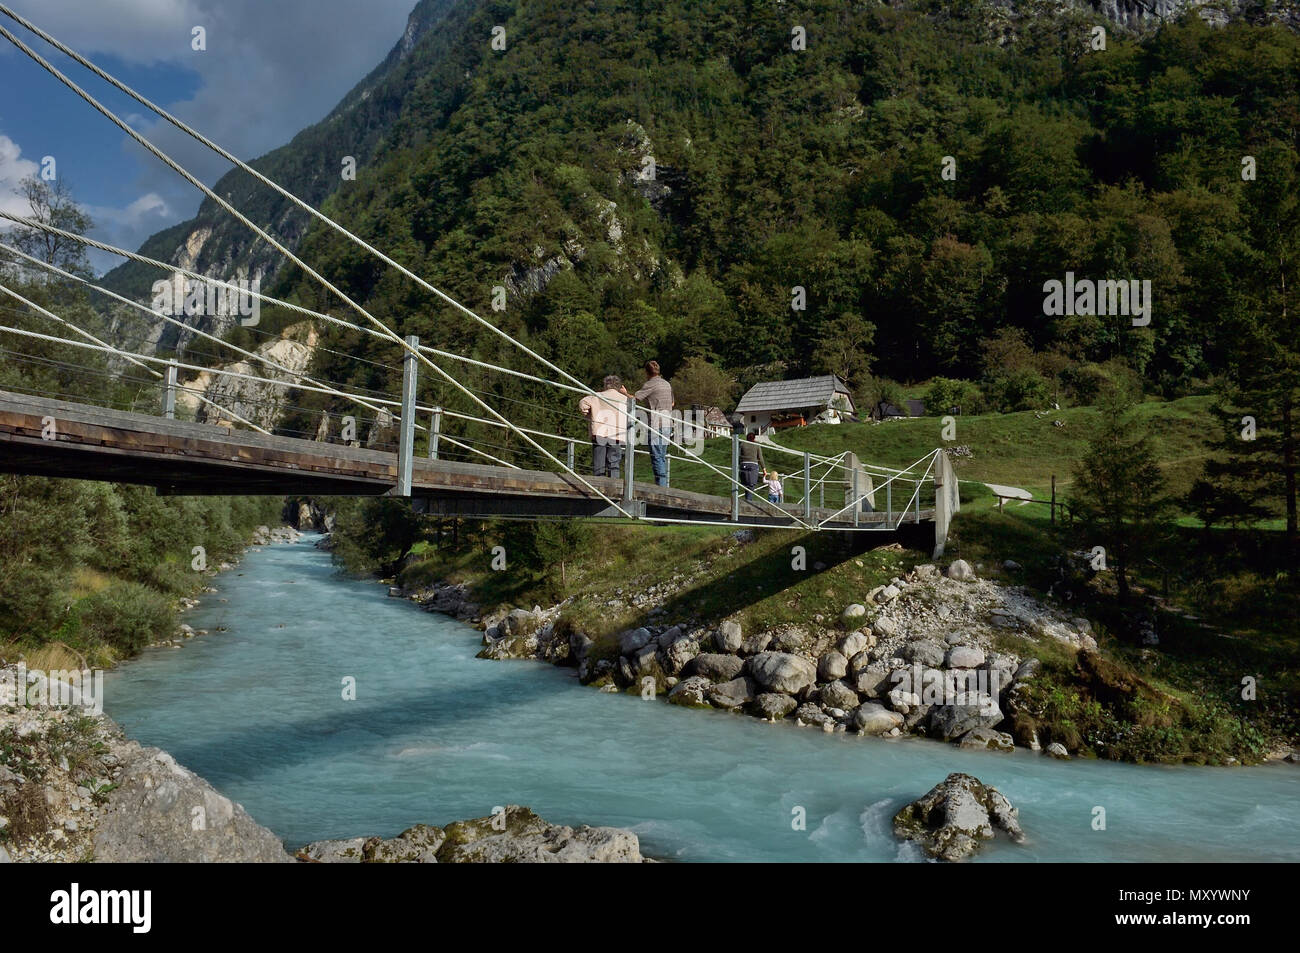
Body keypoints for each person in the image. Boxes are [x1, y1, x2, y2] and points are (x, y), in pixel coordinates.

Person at [579, 375, 630, 478]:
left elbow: (582, 403)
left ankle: (599, 487)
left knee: (599, 464)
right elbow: (633, 407)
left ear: (606, 385)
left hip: (600, 433)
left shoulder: (597, 396)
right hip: (617, 434)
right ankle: (614, 488)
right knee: (614, 464)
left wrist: (589, 413)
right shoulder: (625, 399)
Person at [634, 360, 674, 487]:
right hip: (668, 423)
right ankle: (663, 485)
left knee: (656, 456)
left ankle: (661, 487)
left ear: (647, 372)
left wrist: (623, 393)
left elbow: (635, 398)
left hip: (656, 424)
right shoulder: (667, 384)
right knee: (661, 456)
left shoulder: (650, 384)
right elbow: (673, 403)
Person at [739, 432, 765, 502]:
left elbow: (739, 456)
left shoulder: (742, 444)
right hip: (753, 466)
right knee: (751, 486)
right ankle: (748, 502)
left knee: (746, 486)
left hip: (743, 465)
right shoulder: (756, 445)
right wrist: (764, 469)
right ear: (754, 438)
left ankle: (747, 501)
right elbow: (760, 458)